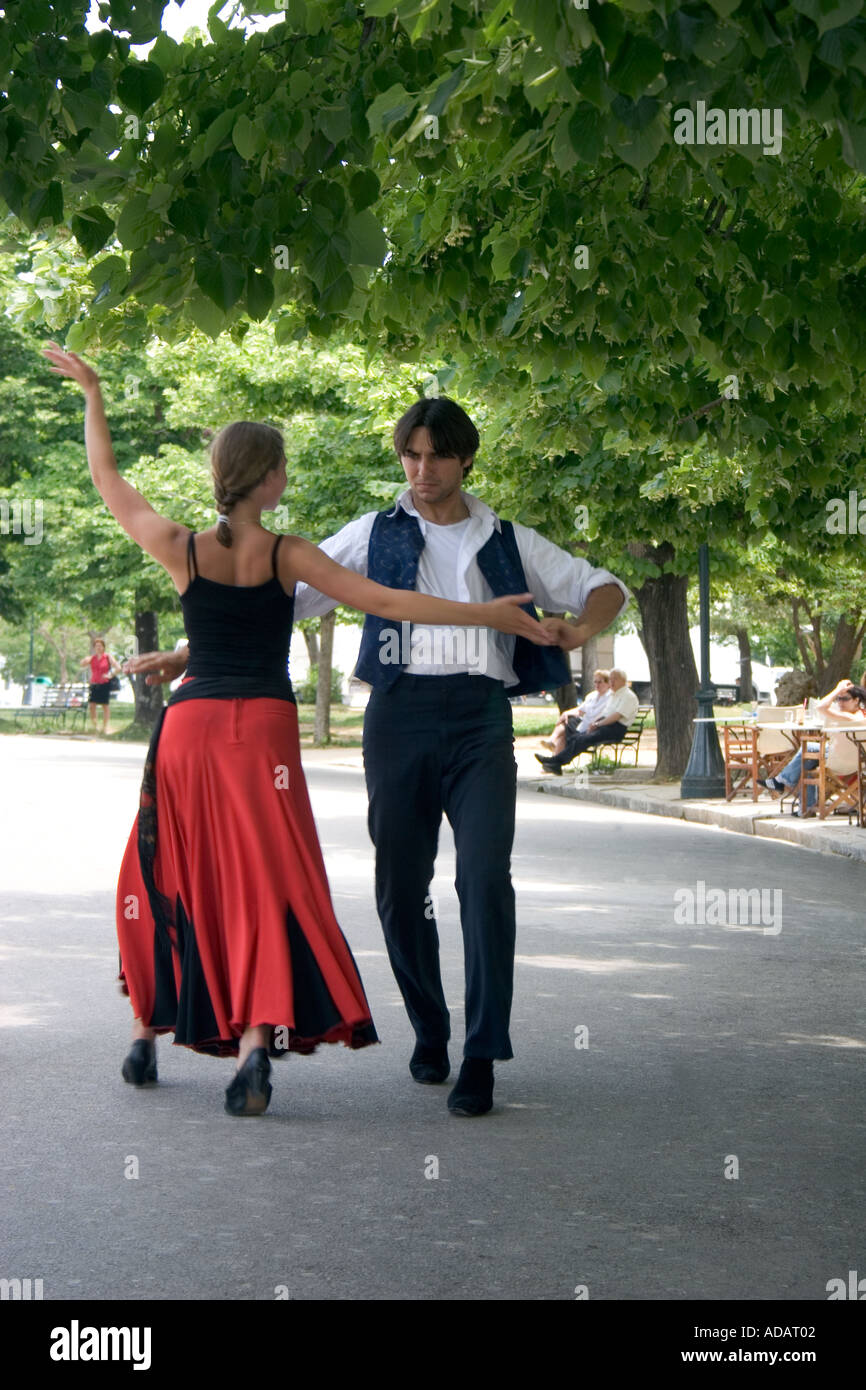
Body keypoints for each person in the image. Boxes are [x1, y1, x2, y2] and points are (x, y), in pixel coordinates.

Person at [43, 345, 555, 1118]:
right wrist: (488, 613)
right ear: (272, 479)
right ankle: (254, 1045)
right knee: (261, 883)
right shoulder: (290, 557)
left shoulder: (181, 549)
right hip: (266, 737)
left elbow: (108, 481)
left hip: (190, 728)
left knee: (165, 873)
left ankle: (149, 1026)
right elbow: (394, 601)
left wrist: (94, 394)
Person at [130, 396, 629, 1117]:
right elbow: (280, 596)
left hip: (480, 722)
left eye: (437, 457)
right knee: (401, 889)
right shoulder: (370, 532)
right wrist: (188, 653)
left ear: (465, 459)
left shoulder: (510, 540)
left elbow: (603, 586)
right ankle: (431, 1029)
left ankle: (483, 1053)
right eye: (411, 455)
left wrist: (578, 630)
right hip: (397, 718)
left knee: (485, 881)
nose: (422, 470)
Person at [760, 679, 866, 814]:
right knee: (809, 759)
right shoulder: (862, 715)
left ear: (856, 700)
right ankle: (801, 802)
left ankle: (787, 786)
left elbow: (820, 707)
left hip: (840, 762)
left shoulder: (847, 718)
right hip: (859, 762)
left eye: (844, 699)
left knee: (808, 751)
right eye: (838, 699)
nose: (840, 702)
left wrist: (837, 689)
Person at [535, 667, 638, 775]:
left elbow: (616, 716)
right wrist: (595, 724)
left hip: (616, 729)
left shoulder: (628, 696)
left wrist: (597, 724)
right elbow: (605, 714)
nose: (612, 682)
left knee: (583, 739)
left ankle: (553, 762)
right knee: (576, 737)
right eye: (611, 679)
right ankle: (555, 763)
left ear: (623, 680)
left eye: (614, 679)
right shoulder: (614, 694)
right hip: (605, 725)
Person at [539, 668, 610, 755]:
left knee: (566, 730)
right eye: (595, 682)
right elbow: (580, 710)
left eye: (600, 682)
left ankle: (553, 752)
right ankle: (553, 751)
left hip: (594, 727)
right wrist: (566, 713)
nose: (597, 685)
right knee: (565, 721)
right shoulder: (592, 696)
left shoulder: (610, 697)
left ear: (608, 683)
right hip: (583, 723)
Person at [79, 638, 121, 735]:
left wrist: (110, 675)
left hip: (104, 683)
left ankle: (105, 727)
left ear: (103, 647)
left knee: (104, 706)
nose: (98, 648)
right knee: (92, 706)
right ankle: (95, 726)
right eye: (96, 646)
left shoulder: (107, 657)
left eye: (100, 646)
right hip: (94, 683)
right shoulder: (92, 658)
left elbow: (118, 667)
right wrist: (85, 660)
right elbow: (82, 664)